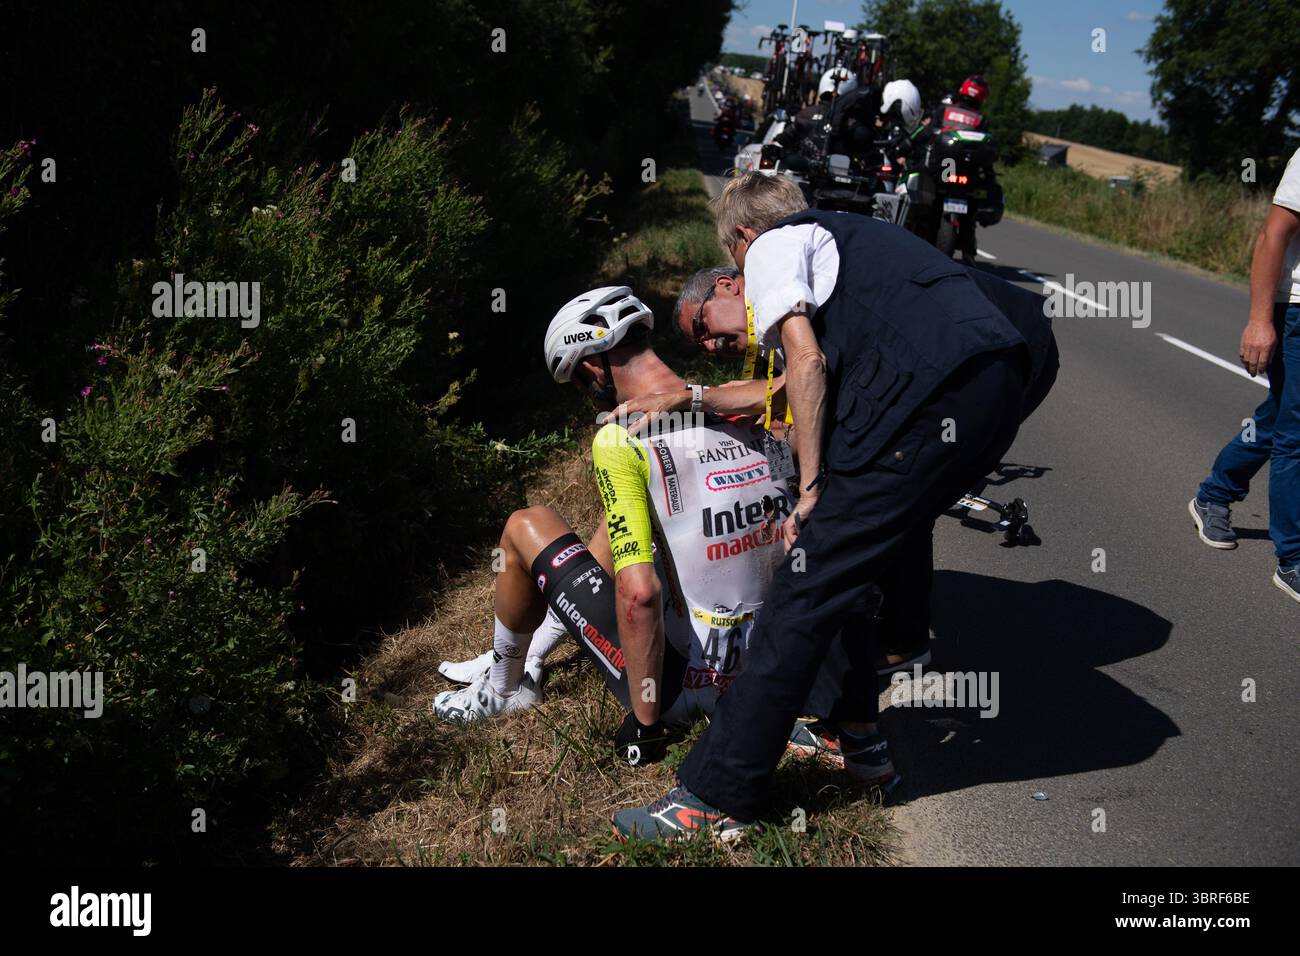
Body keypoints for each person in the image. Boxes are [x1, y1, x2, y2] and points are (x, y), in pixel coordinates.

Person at [613, 172, 1045, 842]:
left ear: (739, 248)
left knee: (804, 583)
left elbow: (806, 368)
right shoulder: (860, 245)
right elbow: (790, 385)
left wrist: (812, 490)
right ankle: (861, 738)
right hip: (997, 386)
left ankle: (715, 794)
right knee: (862, 560)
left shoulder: (772, 246)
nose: (714, 342)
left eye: (707, 322)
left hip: (932, 397)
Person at [434, 285, 889, 772]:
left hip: (685, 688)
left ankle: (505, 686)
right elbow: (795, 386)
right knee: (632, 516)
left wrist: (646, 726)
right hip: (776, 668)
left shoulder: (620, 437)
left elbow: (640, 595)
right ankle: (539, 646)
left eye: (577, 386)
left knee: (526, 524)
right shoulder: (736, 406)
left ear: (591, 369)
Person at [1189, 147, 1300, 604]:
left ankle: (1215, 494)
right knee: (1295, 433)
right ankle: (1293, 558)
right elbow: (1274, 233)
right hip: (1296, 310)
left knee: (1278, 419)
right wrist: (1260, 319)